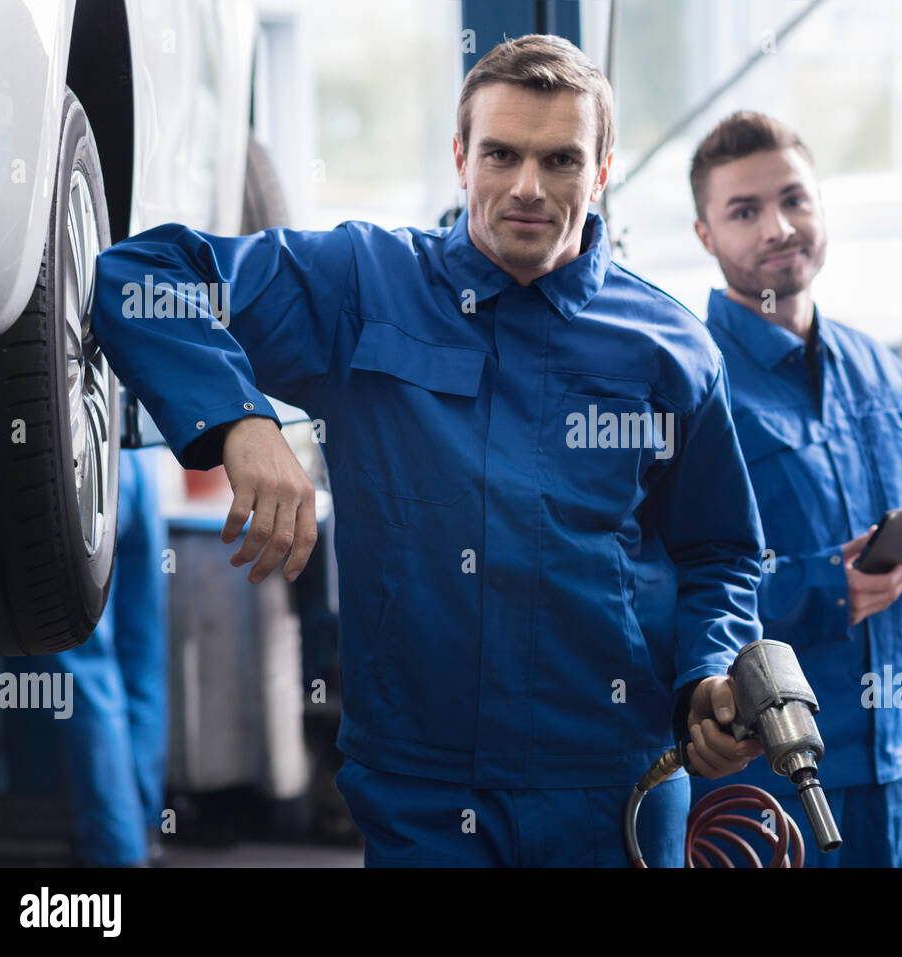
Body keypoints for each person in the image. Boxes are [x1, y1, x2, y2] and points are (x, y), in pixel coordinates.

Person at [89, 35, 766, 867]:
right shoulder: (364, 284)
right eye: (501, 154)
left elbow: (722, 550)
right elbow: (138, 273)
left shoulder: (670, 348)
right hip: (426, 788)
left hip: (615, 780)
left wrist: (707, 676)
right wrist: (242, 423)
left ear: (600, 172)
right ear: (460, 156)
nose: (527, 186)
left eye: (560, 160)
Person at [686, 112, 902, 867]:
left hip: (894, 761)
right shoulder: (689, 380)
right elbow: (664, 582)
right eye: (745, 211)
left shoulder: (878, 366)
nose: (779, 227)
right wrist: (822, 588)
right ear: (705, 235)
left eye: (795, 200)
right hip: (769, 777)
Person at [36, 448, 169, 867]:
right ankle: (144, 828)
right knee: (142, 660)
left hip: (75, 465)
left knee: (86, 674)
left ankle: (117, 851)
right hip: (142, 458)